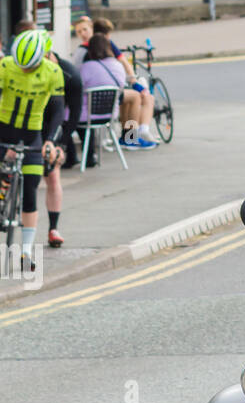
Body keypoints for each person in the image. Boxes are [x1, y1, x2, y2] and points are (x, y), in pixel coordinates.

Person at [12, 18, 82, 245]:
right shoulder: (18, 69)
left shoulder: (67, 74)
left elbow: (70, 114)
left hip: (52, 128)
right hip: (23, 127)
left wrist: (60, 144)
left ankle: (53, 228)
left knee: (52, 175)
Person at [0, 29, 64, 272]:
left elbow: (59, 111)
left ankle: (25, 251)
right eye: (20, 66)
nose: (24, 70)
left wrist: (51, 140)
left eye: (29, 67)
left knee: (30, 189)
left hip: (32, 133)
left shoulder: (53, 72)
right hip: (4, 128)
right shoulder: (5, 66)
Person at [74, 15, 157, 149]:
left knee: (129, 98)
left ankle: (127, 136)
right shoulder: (97, 46)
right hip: (98, 97)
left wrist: (134, 82)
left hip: (93, 96)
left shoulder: (83, 50)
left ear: (92, 29)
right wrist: (134, 83)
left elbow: (123, 61)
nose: (82, 34)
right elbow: (121, 64)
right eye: (78, 32)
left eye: (84, 30)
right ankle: (130, 138)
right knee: (134, 96)